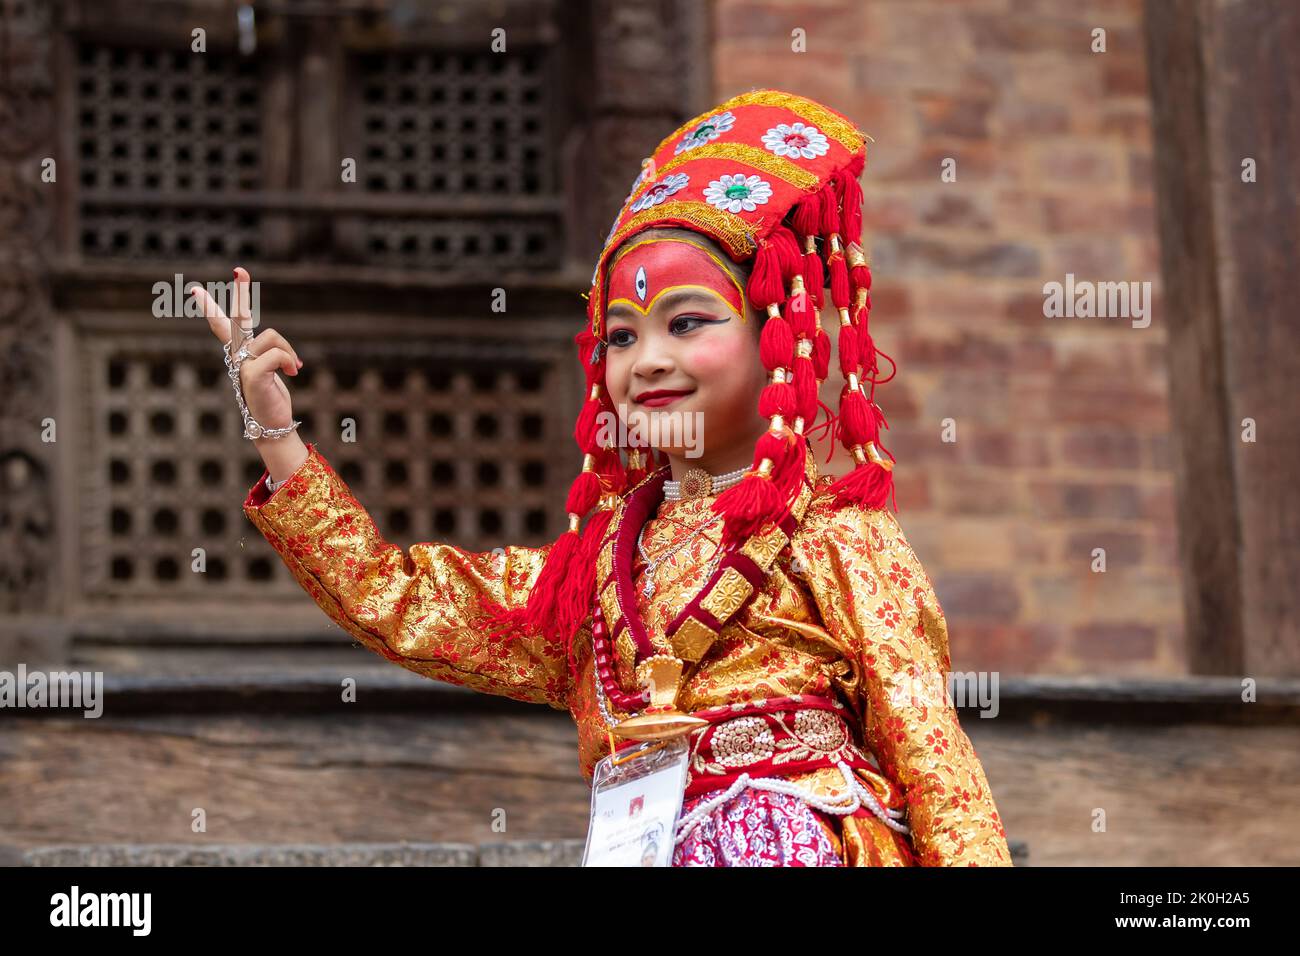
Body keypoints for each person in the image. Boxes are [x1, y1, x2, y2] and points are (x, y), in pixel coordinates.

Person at [197, 88, 1011, 866]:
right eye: (622, 337)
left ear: (774, 341)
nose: (648, 360)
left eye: (687, 323)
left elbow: (936, 765)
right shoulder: (589, 578)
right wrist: (275, 432)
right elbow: (400, 599)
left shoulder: (838, 536)